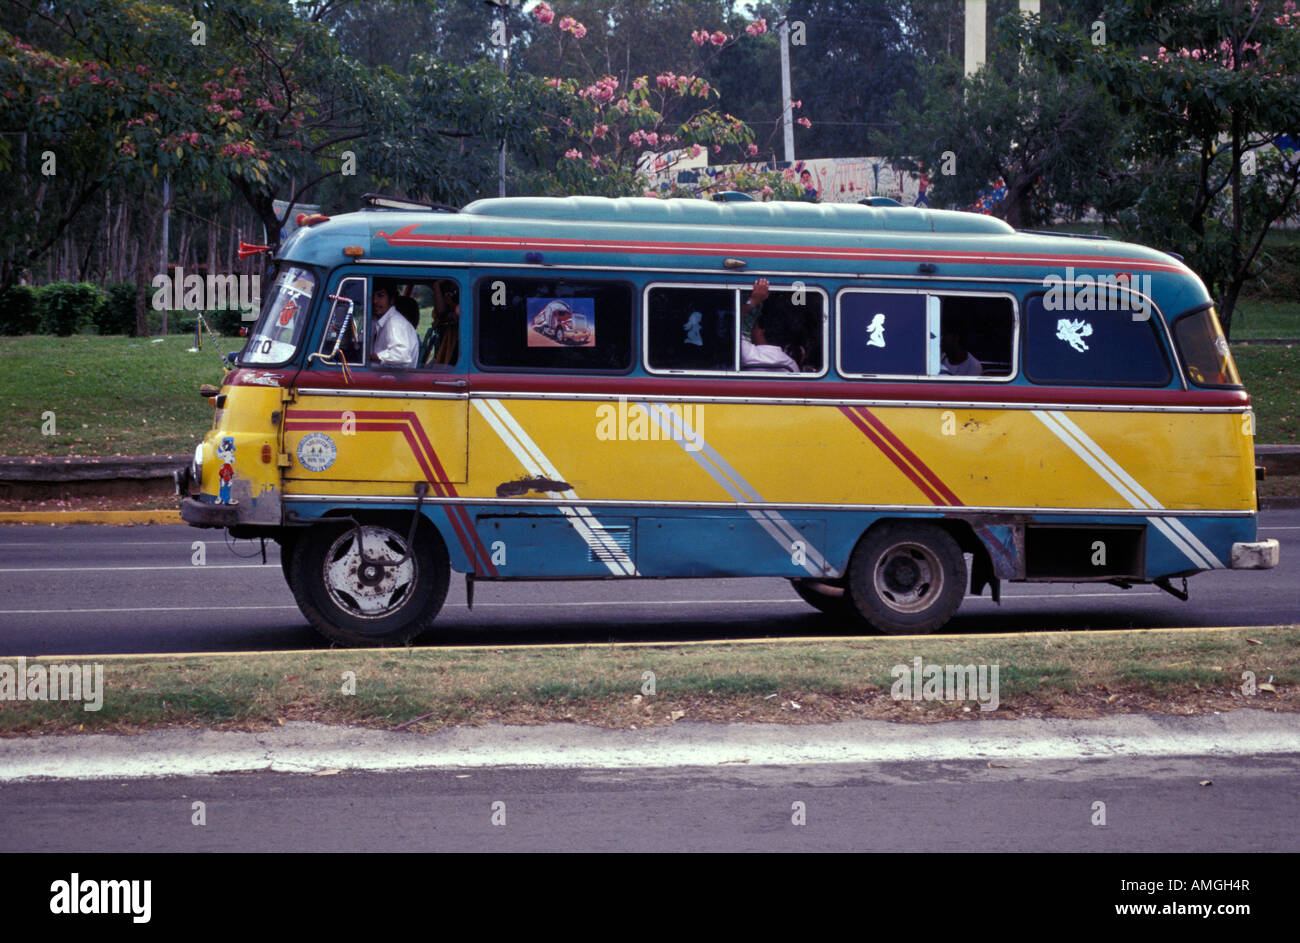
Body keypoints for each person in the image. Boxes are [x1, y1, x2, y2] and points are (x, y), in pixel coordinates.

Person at [370, 279, 419, 368]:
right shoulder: (377, 320)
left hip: (399, 379)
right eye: (371, 295)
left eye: (380, 296)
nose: (374, 301)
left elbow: (401, 355)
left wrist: (370, 357)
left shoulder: (395, 323)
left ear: (392, 300)